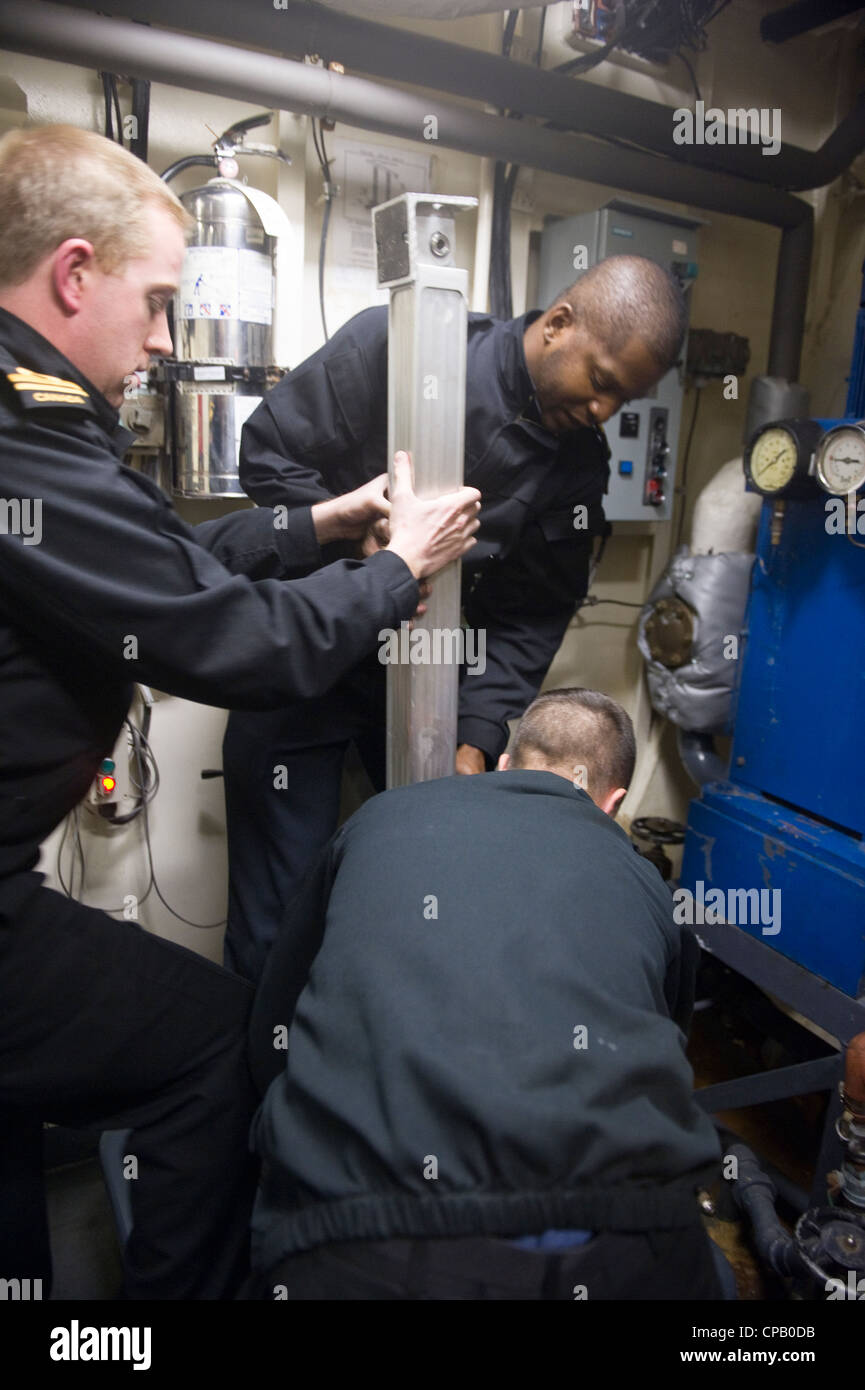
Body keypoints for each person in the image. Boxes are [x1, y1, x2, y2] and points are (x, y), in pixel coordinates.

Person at [0, 123, 480, 1300]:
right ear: (73, 274)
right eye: (157, 301)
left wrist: (317, 526)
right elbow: (240, 643)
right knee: (208, 1041)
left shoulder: (40, 429)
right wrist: (398, 567)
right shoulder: (26, 437)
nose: (166, 339)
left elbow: (156, 563)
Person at [223, 254, 686, 981]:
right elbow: (268, 457)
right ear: (558, 325)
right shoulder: (389, 347)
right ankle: (265, 1081)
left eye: (620, 401)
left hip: (426, 680)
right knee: (276, 919)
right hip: (307, 655)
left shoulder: (576, 466)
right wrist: (357, 531)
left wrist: (474, 736)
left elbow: (530, 617)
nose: (603, 411)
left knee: (433, 887)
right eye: (600, 383)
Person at [248, 687, 723, 1301]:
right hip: (627, 1237)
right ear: (614, 803)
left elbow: (273, 1024)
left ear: (504, 762)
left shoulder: (379, 819)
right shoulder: (649, 888)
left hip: (352, 1232)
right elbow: (665, 1050)